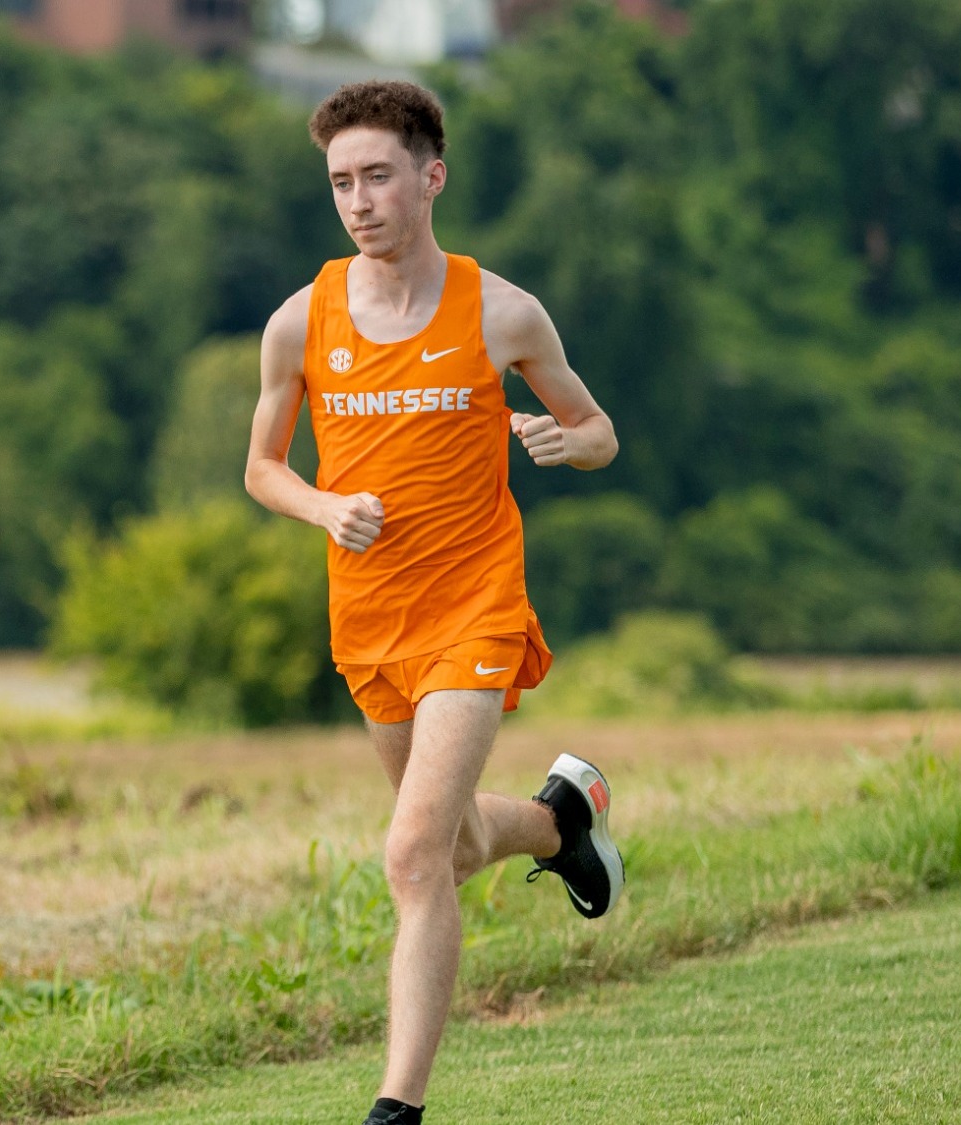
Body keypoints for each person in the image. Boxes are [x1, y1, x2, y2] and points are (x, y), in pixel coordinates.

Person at [243, 80, 625, 1125]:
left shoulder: (501, 311)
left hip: (474, 606)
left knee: (410, 855)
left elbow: (596, 429)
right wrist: (322, 509)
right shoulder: (297, 323)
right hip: (369, 621)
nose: (357, 200)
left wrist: (564, 443)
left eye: (375, 176)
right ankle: (558, 824)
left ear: (428, 176)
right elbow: (261, 470)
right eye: (338, 182)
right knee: (449, 848)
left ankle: (394, 1110)